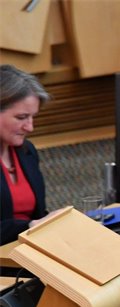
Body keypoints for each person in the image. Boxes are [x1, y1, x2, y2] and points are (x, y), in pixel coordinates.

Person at [1, 65, 50, 245]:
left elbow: (38, 215)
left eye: (32, 117)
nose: (30, 127)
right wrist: (29, 226)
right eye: (21, 118)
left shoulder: (26, 151)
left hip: (29, 254)